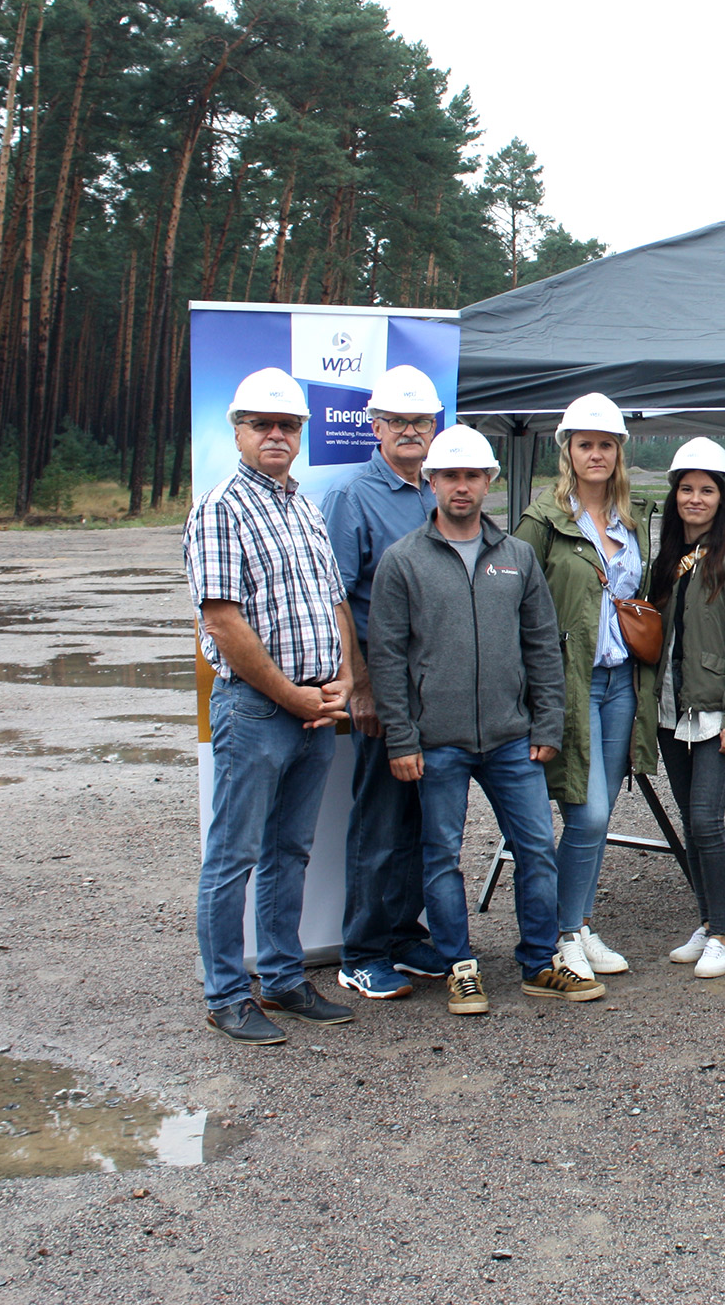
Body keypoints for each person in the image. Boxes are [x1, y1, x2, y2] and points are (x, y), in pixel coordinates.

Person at [365, 425, 590, 1013]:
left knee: (536, 849)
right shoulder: (403, 561)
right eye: (449, 476)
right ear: (431, 481)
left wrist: (547, 725)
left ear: (490, 481)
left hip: (512, 739)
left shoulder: (516, 557)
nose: (461, 487)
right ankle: (460, 967)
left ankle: (539, 962)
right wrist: (401, 739)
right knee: (441, 855)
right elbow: (386, 658)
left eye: (472, 476)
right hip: (437, 742)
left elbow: (542, 647)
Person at [184, 367, 358, 1044]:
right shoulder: (220, 509)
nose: (277, 435)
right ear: (239, 431)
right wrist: (292, 696)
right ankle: (227, 994)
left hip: (315, 708)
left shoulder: (303, 507)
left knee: (289, 851)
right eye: (263, 424)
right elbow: (223, 622)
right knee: (233, 857)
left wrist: (344, 680)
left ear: (301, 433)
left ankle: (283, 979)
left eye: (288, 425)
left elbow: (334, 603)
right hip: (258, 711)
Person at [517, 392, 660, 985]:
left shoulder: (632, 519)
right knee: (588, 810)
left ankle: (577, 925)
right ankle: (560, 933)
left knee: (597, 817)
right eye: (585, 445)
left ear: (619, 451)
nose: (596, 454)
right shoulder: (542, 520)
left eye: (606, 444)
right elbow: (516, 603)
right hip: (570, 683)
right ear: (568, 451)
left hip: (621, 681)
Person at [320, 364, 444, 1002]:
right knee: (380, 817)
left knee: (424, 815)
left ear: (435, 427)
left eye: (420, 421)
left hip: (435, 683)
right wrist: (361, 685)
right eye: (397, 421)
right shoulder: (352, 497)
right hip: (384, 678)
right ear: (374, 427)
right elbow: (335, 597)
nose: (409, 431)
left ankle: (401, 931)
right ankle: (363, 951)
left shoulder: (438, 491)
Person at [648, 437, 725, 980]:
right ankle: (704, 921)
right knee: (690, 825)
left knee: (706, 819)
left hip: (717, 713)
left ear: (723, 498)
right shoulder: (671, 560)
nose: (695, 499)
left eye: (707, 490)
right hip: (672, 711)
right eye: (687, 489)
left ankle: (721, 933)